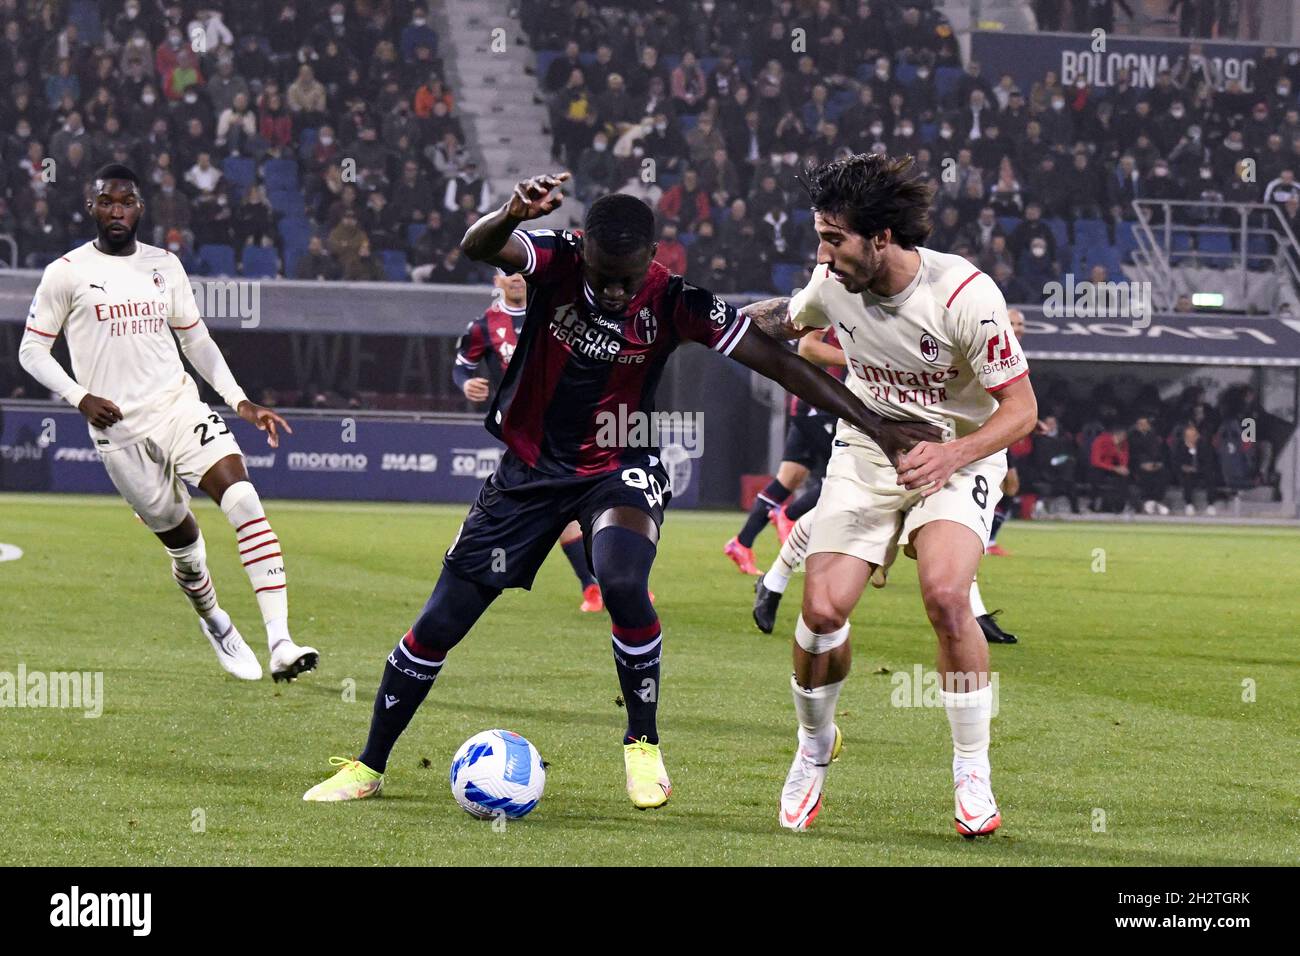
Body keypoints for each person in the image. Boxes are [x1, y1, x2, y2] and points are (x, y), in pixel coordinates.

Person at [303, 172, 939, 809]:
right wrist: (510, 214)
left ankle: (642, 743)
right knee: (440, 622)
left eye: (627, 279)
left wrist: (880, 428)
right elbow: (479, 246)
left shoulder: (676, 300)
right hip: (529, 472)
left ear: (651, 262)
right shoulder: (553, 257)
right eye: (603, 276)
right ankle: (369, 765)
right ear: (584, 252)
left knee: (622, 578)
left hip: (621, 462)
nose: (612, 291)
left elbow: (784, 366)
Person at [774, 154, 1038, 836]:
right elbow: (791, 324)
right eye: (820, 237)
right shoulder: (830, 284)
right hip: (866, 450)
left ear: (882, 236)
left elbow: (1022, 410)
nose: (823, 254)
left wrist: (951, 452)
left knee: (948, 596)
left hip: (956, 452)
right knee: (824, 610)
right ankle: (813, 746)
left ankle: (971, 772)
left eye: (835, 239)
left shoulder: (963, 296)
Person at [18, 164, 317, 682]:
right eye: (107, 201)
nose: (117, 211)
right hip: (120, 432)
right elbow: (32, 350)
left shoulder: (165, 266)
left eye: (126, 202)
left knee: (243, 499)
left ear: (140, 208)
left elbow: (196, 340)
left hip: (180, 408)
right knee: (187, 549)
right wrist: (79, 396)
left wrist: (240, 401)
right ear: (91, 206)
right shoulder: (65, 272)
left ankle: (281, 643)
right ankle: (216, 620)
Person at [454, 270, 606, 612]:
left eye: (522, 272)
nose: (516, 278)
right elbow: (462, 366)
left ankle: (599, 586)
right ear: (496, 281)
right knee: (568, 502)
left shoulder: (555, 313)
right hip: (527, 432)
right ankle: (600, 585)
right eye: (508, 273)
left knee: (568, 502)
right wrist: (466, 384)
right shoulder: (484, 326)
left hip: (571, 420)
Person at [723, 325, 844, 574]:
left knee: (788, 479)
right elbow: (808, 347)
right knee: (845, 474)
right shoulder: (829, 298)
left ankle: (741, 543)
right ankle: (790, 514)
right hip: (819, 405)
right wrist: (857, 359)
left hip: (809, 404)